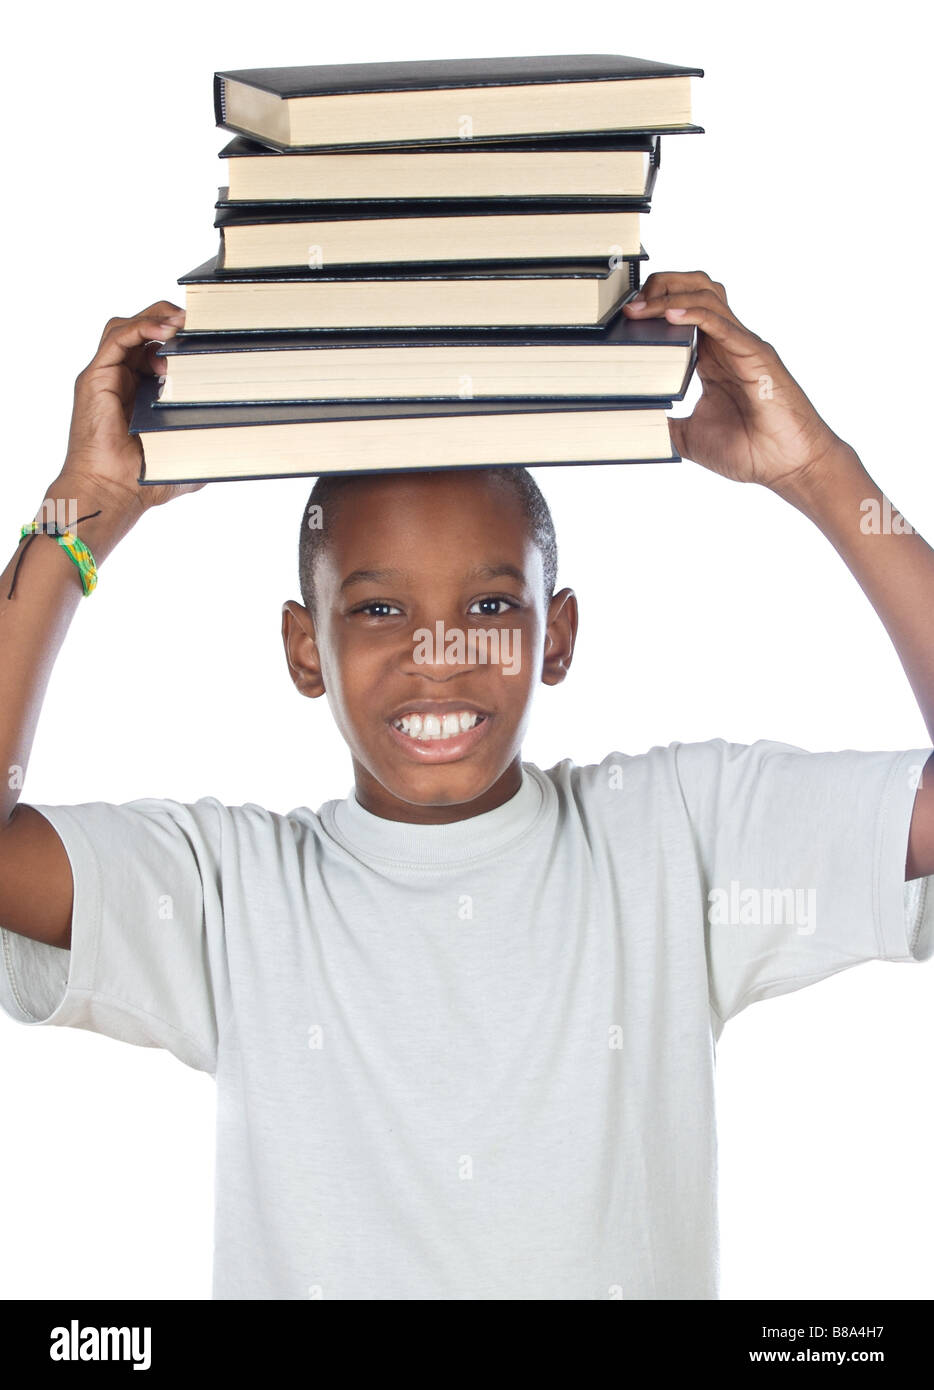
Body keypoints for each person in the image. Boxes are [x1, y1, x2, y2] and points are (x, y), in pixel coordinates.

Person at [0, 272, 931, 1300]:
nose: (438, 654)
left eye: (490, 601)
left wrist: (815, 471)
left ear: (557, 635)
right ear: (303, 651)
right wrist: (82, 511)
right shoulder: (226, 890)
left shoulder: (679, 835)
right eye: (376, 611)